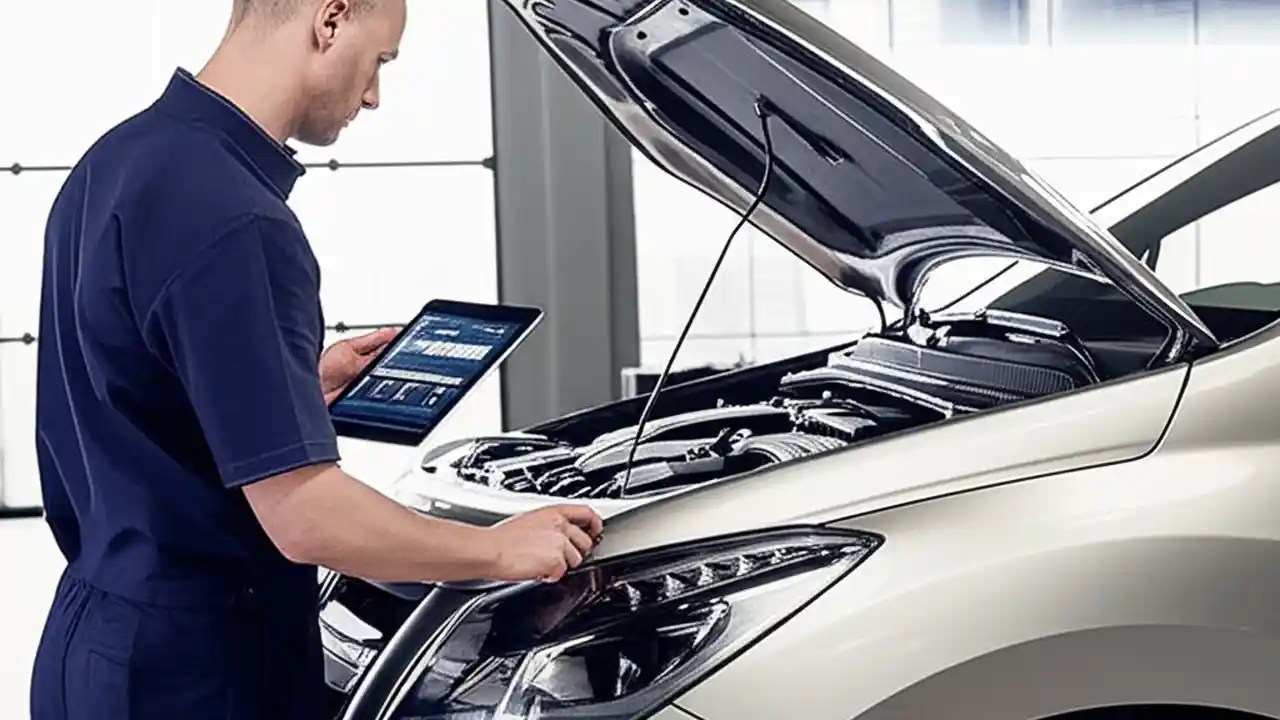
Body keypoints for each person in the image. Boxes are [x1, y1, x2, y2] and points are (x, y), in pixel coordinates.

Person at [28, 1, 603, 718]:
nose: (372, 96)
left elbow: (123, 387)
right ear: (329, 20)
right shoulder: (238, 219)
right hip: (201, 671)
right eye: (380, 61)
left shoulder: (119, 159)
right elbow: (306, 518)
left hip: (96, 644)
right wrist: (498, 550)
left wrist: (289, 386)